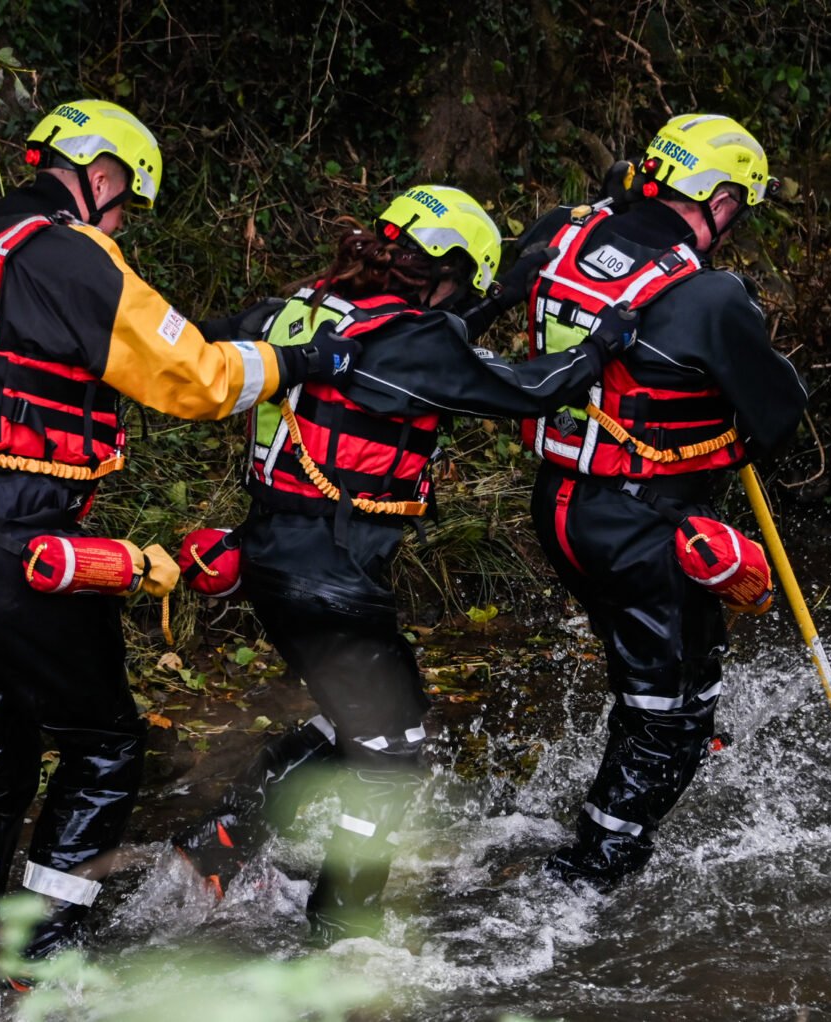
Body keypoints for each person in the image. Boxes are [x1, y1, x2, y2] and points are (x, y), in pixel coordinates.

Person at [0, 98, 359, 993]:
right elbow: (200, 380)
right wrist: (297, 361)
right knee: (103, 746)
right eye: (124, 205)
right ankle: (36, 964)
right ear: (101, 177)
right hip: (15, 549)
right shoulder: (69, 255)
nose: (121, 224)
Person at [171, 184, 639, 944]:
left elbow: (426, 346)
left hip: (276, 556)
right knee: (390, 760)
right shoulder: (411, 342)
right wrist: (603, 342)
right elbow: (534, 390)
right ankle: (342, 928)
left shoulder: (309, 308)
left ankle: (222, 840)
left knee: (375, 717)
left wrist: (509, 287)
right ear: (444, 270)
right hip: (329, 579)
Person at [518, 113, 809, 892]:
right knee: (665, 710)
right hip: (639, 526)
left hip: (559, 508)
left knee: (681, 666)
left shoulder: (565, 233)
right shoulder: (711, 297)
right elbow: (781, 412)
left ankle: (663, 756)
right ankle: (589, 874)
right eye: (738, 207)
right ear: (717, 198)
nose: (736, 223)